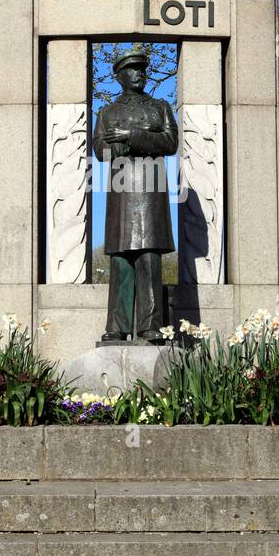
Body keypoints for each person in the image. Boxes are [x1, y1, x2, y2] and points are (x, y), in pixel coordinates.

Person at [92, 49, 179, 343]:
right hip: (121, 190)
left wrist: (131, 137)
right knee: (120, 260)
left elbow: (170, 143)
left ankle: (150, 325)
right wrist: (116, 146)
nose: (139, 74)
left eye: (142, 69)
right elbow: (100, 151)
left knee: (149, 257)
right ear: (119, 76)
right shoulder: (107, 112)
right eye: (132, 70)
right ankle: (116, 326)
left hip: (151, 189)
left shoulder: (160, 107)